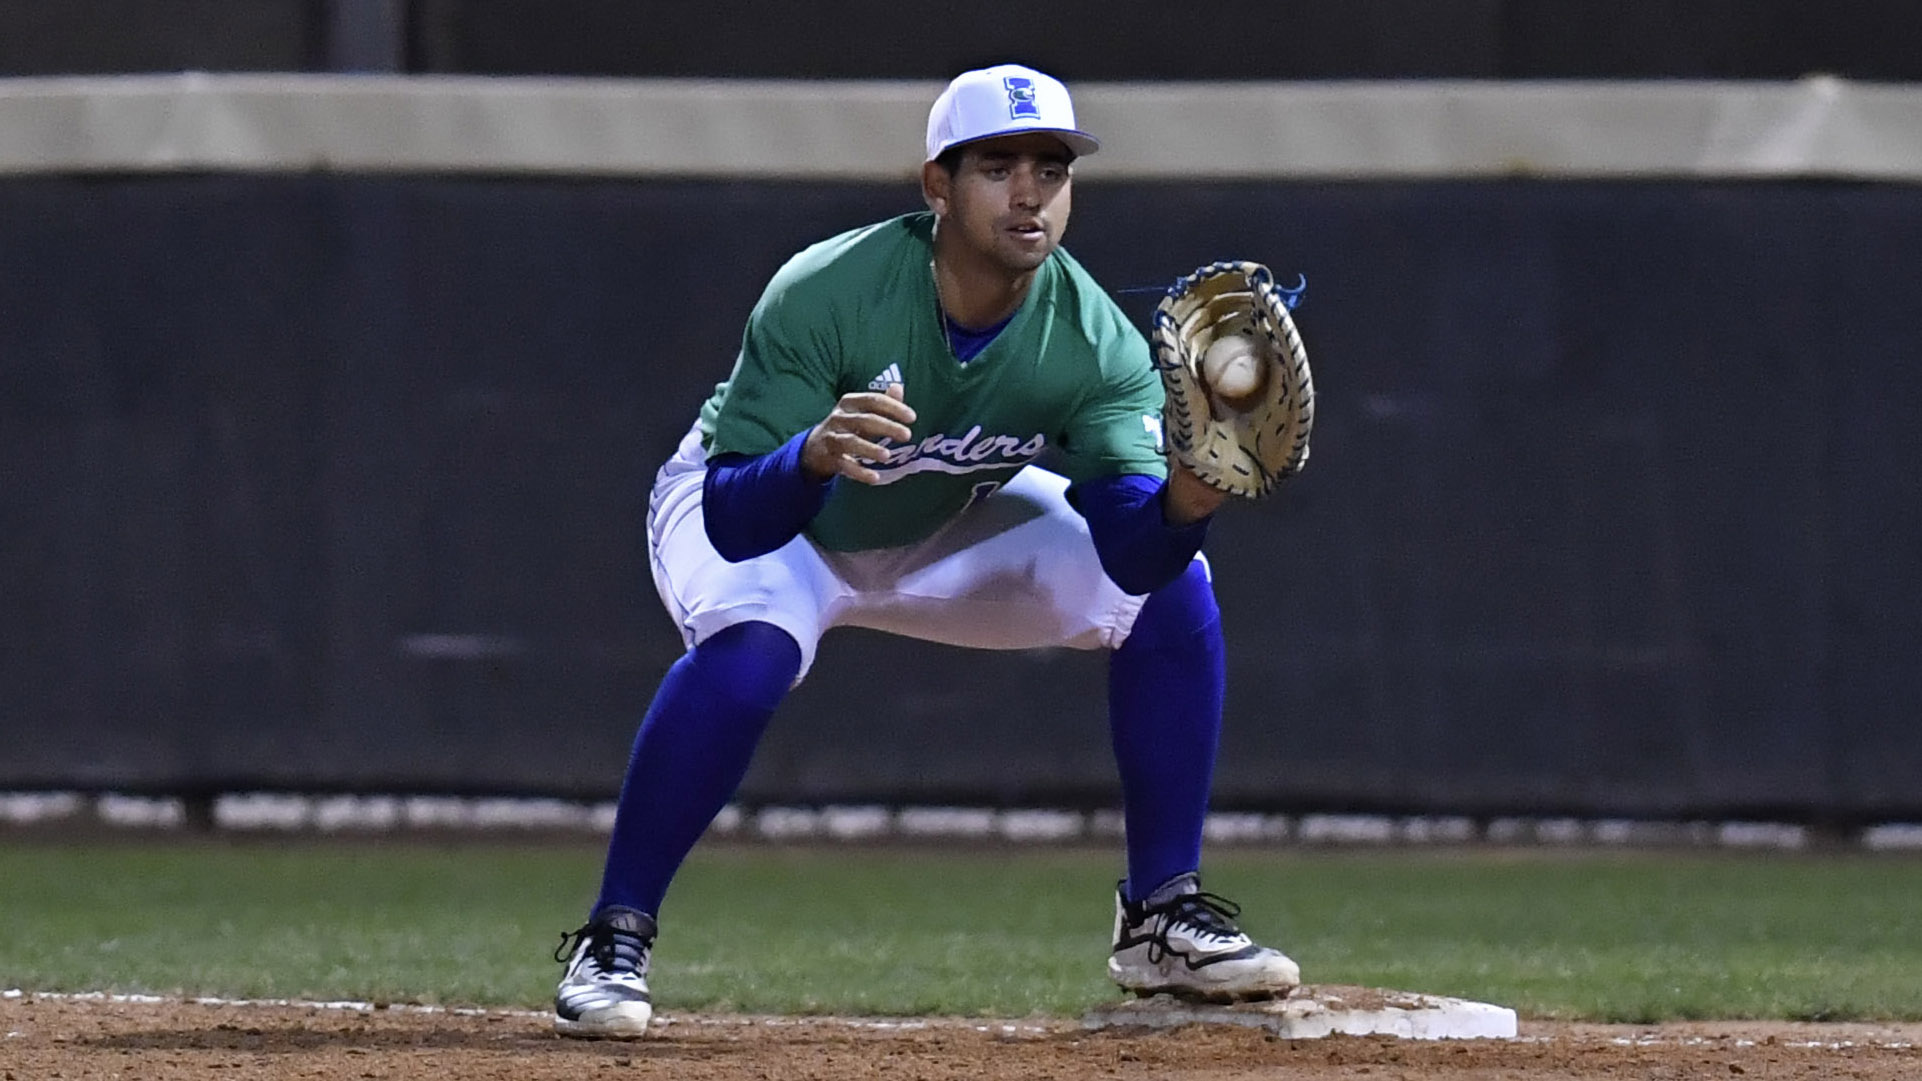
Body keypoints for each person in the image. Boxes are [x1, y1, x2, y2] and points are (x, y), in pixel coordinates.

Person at [551, 63, 1301, 1038]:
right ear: (935, 185)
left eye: (1051, 169)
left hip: (938, 523)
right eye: (997, 167)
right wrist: (807, 457)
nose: (1029, 192)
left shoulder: (1093, 342)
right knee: (752, 652)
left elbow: (1131, 553)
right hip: (774, 512)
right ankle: (614, 934)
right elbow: (734, 521)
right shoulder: (827, 291)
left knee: (1173, 590)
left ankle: (1160, 916)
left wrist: (1184, 504)